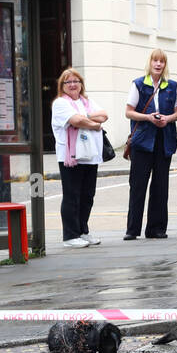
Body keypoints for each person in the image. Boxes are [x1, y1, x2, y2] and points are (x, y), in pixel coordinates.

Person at [124, 49, 177, 240]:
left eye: (162, 62)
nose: (158, 64)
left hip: (164, 140)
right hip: (142, 142)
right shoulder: (139, 84)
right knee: (138, 185)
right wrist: (148, 117)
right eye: (155, 61)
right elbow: (129, 112)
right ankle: (132, 230)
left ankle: (156, 229)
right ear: (150, 63)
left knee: (160, 186)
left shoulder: (172, 86)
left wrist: (167, 119)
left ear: (165, 65)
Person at [50, 68, 108, 248]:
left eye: (76, 81)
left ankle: (83, 231)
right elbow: (75, 121)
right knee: (72, 196)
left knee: (87, 196)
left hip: (90, 156)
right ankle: (70, 235)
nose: (73, 85)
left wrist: (87, 116)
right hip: (72, 157)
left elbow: (104, 115)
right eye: (68, 82)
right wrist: (94, 125)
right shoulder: (60, 103)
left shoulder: (86, 102)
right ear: (63, 86)